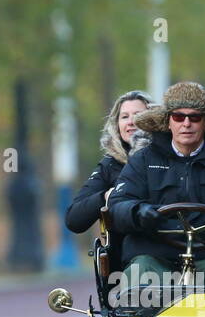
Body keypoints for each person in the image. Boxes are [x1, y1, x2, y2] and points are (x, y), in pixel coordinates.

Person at [108, 81, 205, 290]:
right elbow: (118, 205)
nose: (186, 124)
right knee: (139, 277)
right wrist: (139, 212)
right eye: (179, 117)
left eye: (194, 117)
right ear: (168, 122)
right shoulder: (143, 160)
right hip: (151, 254)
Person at [65, 89, 153, 273]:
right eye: (124, 117)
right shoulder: (110, 165)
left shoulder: (168, 157)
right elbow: (74, 219)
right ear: (116, 124)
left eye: (138, 115)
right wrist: (106, 196)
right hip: (128, 256)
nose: (130, 122)